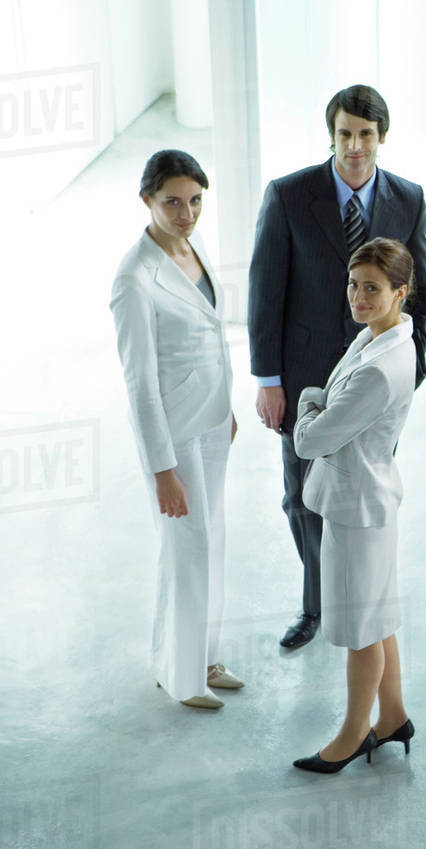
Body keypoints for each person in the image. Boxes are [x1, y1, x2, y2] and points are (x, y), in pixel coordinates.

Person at [248, 84, 426, 651]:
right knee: (304, 497)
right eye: (345, 133)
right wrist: (268, 381)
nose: (355, 146)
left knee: (361, 495)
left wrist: (412, 362)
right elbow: (265, 293)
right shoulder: (287, 195)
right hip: (304, 378)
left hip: (376, 385)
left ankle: (365, 609)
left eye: (366, 135)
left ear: (382, 137)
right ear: (331, 135)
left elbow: (422, 290)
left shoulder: (409, 198)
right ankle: (318, 605)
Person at [110, 150, 243, 710]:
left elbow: (209, 333)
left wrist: (227, 405)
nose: (187, 212)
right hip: (175, 435)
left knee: (211, 541)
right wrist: (163, 469)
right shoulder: (134, 279)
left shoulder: (193, 246)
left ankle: (203, 657)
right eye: (173, 202)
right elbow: (140, 385)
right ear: (147, 200)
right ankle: (182, 676)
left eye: (195, 200)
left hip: (211, 420)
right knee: (186, 549)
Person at [290, 238, 417, 773]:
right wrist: (321, 408)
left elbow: (310, 440)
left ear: (400, 293)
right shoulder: (381, 338)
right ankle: (392, 717)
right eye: (353, 284)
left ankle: (351, 736)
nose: (358, 297)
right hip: (368, 499)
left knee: (360, 630)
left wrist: (305, 404)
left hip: (355, 507)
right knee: (379, 616)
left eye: (372, 288)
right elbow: (330, 415)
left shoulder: (376, 367)